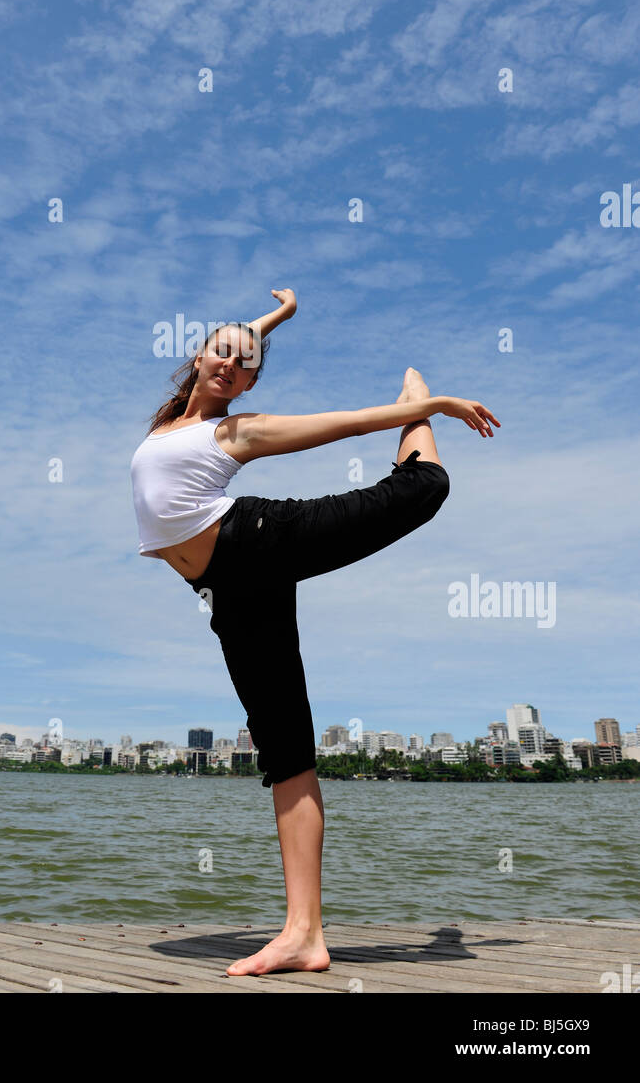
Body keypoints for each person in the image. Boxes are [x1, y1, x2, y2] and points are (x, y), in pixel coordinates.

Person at [129, 288, 500, 976]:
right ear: (200, 354)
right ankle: (304, 935)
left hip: (259, 541)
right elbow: (236, 336)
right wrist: (275, 320)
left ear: (247, 382)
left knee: (420, 491)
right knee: (286, 753)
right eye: (222, 352)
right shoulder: (167, 425)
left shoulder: (235, 432)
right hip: (226, 593)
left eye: (243, 364)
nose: (230, 365)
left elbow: (348, 423)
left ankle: (422, 436)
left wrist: (431, 405)